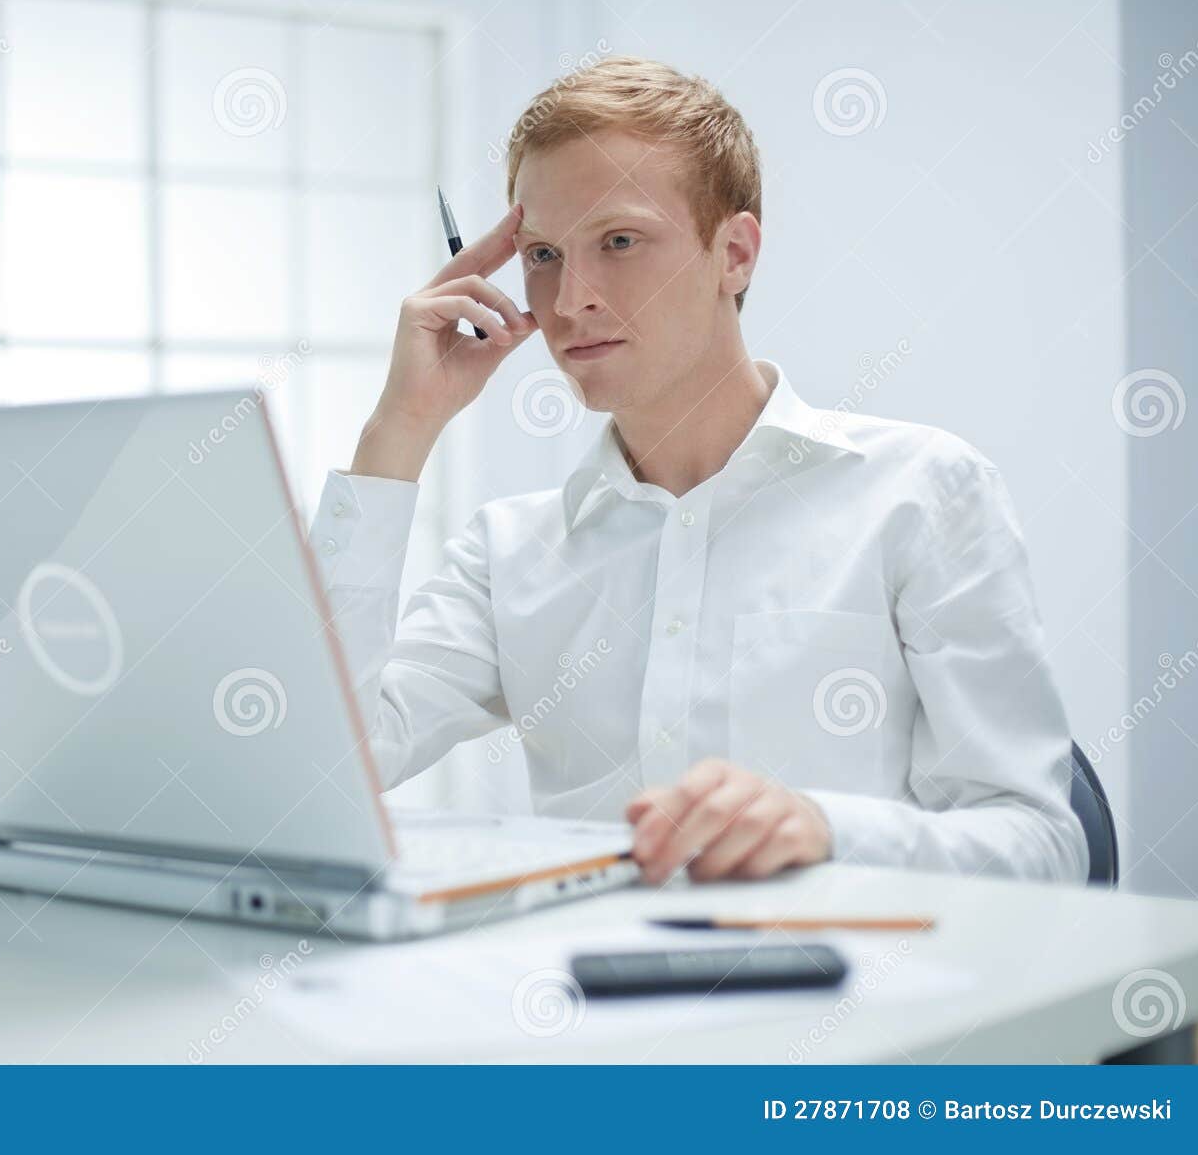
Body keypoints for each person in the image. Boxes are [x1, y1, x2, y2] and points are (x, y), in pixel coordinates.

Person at [307, 57, 1088, 886]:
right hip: (583, 1003)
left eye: (619, 241)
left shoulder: (921, 494)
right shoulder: (509, 555)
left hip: (851, 1000)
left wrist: (826, 829)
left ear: (736, 254)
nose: (570, 300)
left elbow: (1043, 848)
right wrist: (399, 429)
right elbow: (314, 776)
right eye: (541, 254)